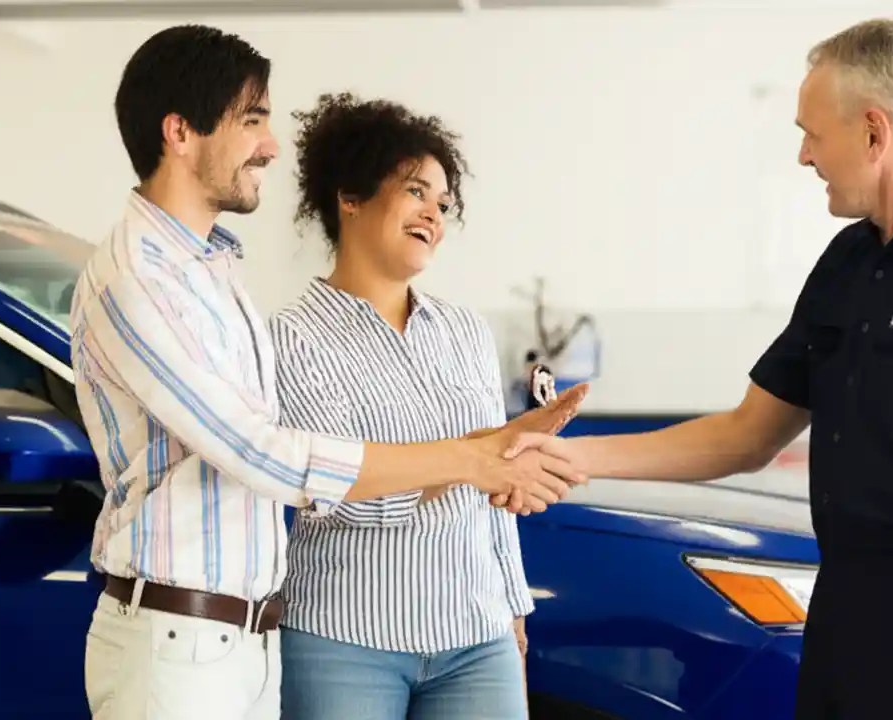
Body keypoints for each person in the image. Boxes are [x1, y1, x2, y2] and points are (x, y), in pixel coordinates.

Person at [504, 18, 893, 720]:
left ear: (874, 132)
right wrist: (569, 459)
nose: (806, 156)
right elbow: (746, 436)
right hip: (842, 638)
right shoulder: (848, 265)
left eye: (813, 132)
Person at [70, 26, 584, 720]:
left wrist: (508, 587)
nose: (270, 144)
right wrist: (474, 459)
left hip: (248, 637)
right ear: (180, 132)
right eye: (252, 120)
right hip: (196, 640)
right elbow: (262, 452)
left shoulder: (215, 274)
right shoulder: (141, 280)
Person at [269, 94, 572, 720]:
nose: (433, 214)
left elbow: (497, 497)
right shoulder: (289, 337)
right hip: (341, 640)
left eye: (442, 203)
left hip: (475, 637)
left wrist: (511, 606)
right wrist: (477, 459)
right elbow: (344, 493)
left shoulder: (465, 331)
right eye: (415, 192)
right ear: (349, 197)